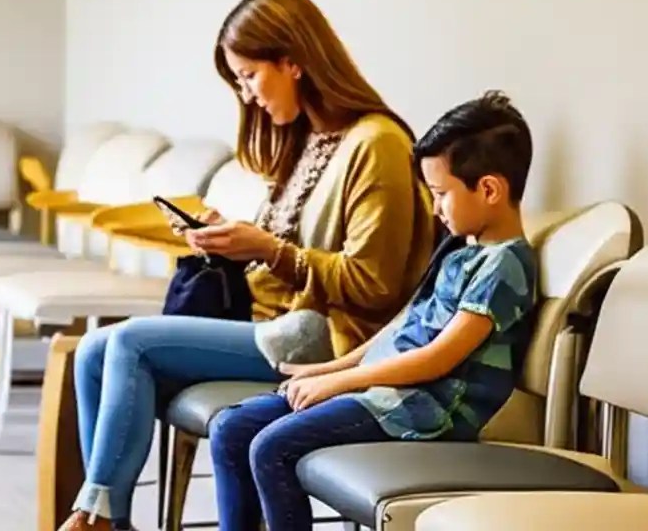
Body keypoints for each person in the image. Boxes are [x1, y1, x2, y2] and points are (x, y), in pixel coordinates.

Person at [59, 0, 436, 531]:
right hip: (277, 322)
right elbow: (295, 252)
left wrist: (269, 249)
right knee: (94, 348)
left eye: (250, 76)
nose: (248, 95)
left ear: (294, 62)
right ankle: (107, 517)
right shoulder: (311, 140)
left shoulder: (375, 144)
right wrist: (236, 243)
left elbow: (374, 286)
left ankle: (94, 518)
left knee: (131, 343)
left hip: (329, 338)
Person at [207, 90, 539, 531]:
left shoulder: (507, 265)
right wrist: (328, 370)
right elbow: (400, 329)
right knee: (231, 428)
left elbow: (438, 358)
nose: (435, 208)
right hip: (387, 394)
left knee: (272, 447)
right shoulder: (462, 249)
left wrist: (340, 382)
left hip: (427, 411)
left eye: (440, 194)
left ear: (490, 189)